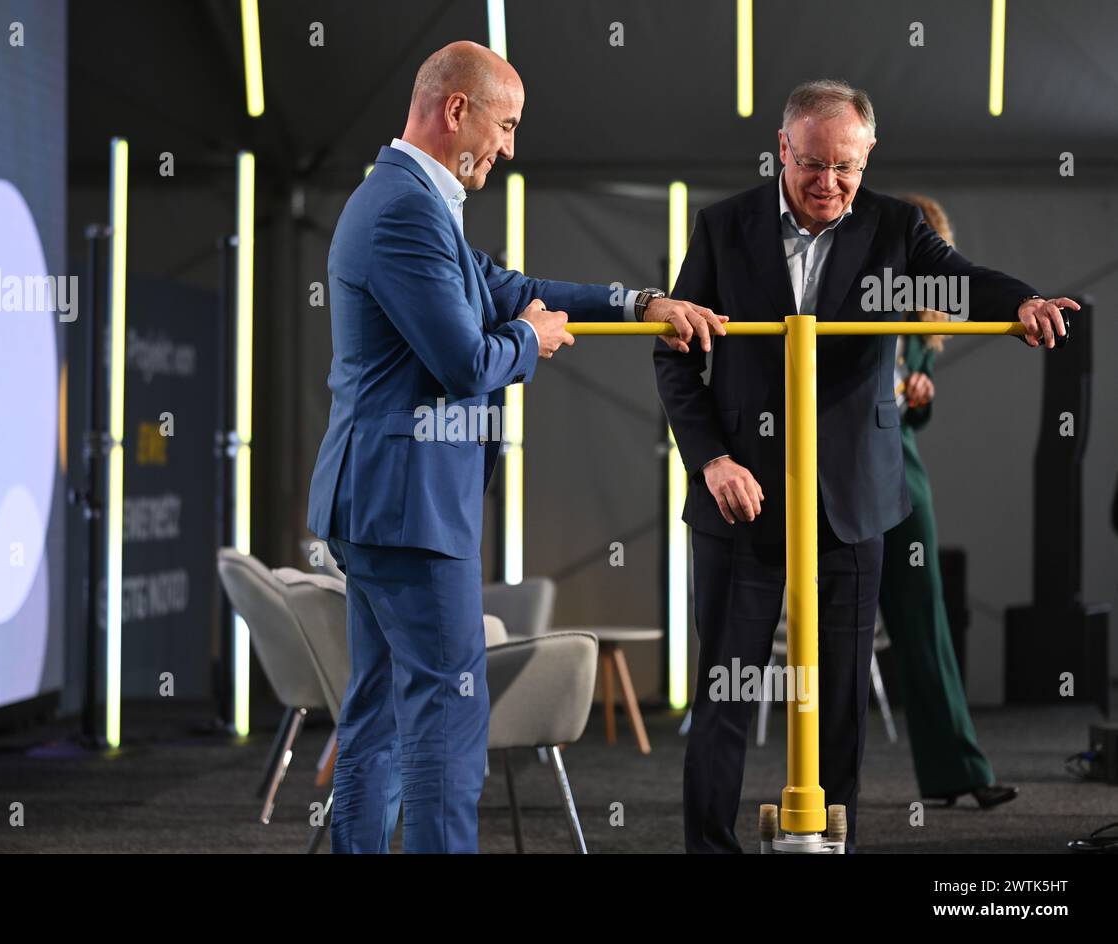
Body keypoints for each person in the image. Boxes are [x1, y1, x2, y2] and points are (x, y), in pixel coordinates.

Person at [307, 40, 724, 853]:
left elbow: (509, 288)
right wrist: (529, 342)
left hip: (382, 501)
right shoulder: (402, 208)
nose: (508, 147)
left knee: (380, 716)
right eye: (505, 126)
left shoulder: (411, 199)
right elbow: (466, 360)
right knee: (445, 721)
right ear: (456, 109)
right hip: (407, 508)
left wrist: (637, 302)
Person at [654, 78, 1079, 853]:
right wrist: (711, 460)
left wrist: (1020, 302)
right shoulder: (721, 228)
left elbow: (959, 277)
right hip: (737, 498)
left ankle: (831, 848)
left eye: (846, 167)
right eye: (813, 164)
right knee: (724, 694)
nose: (829, 184)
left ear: (869, 155)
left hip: (850, 500)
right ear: (782, 148)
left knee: (841, 695)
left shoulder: (895, 227)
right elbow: (675, 358)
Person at [878, 194, 1017, 809]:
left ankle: (960, 769)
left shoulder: (924, 328)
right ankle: (818, 785)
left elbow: (913, 419)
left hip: (902, 478)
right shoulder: (852, 295)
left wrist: (919, 396)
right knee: (830, 635)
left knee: (925, 623)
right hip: (833, 475)